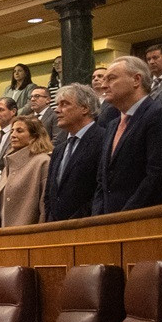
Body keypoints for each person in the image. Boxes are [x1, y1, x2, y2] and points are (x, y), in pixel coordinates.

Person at [93, 56, 162, 214]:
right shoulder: (112, 125)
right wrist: (99, 216)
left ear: (136, 80)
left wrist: (126, 215)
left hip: (145, 218)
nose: (104, 85)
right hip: (110, 220)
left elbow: (158, 175)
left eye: (111, 78)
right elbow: (102, 179)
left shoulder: (160, 115)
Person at [43, 83, 108, 221]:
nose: (57, 110)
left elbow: (101, 187)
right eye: (57, 105)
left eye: (64, 104)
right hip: (56, 227)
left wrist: (78, 221)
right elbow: (49, 194)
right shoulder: (59, 150)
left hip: (88, 225)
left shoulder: (104, 139)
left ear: (85, 108)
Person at [0, 117, 52, 228]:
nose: (13, 135)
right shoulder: (9, 164)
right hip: (4, 233)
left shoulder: (42, 162)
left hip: (28, 234)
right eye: (12, 131)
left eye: (19, 131)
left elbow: (45, 205)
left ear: (34, 136)